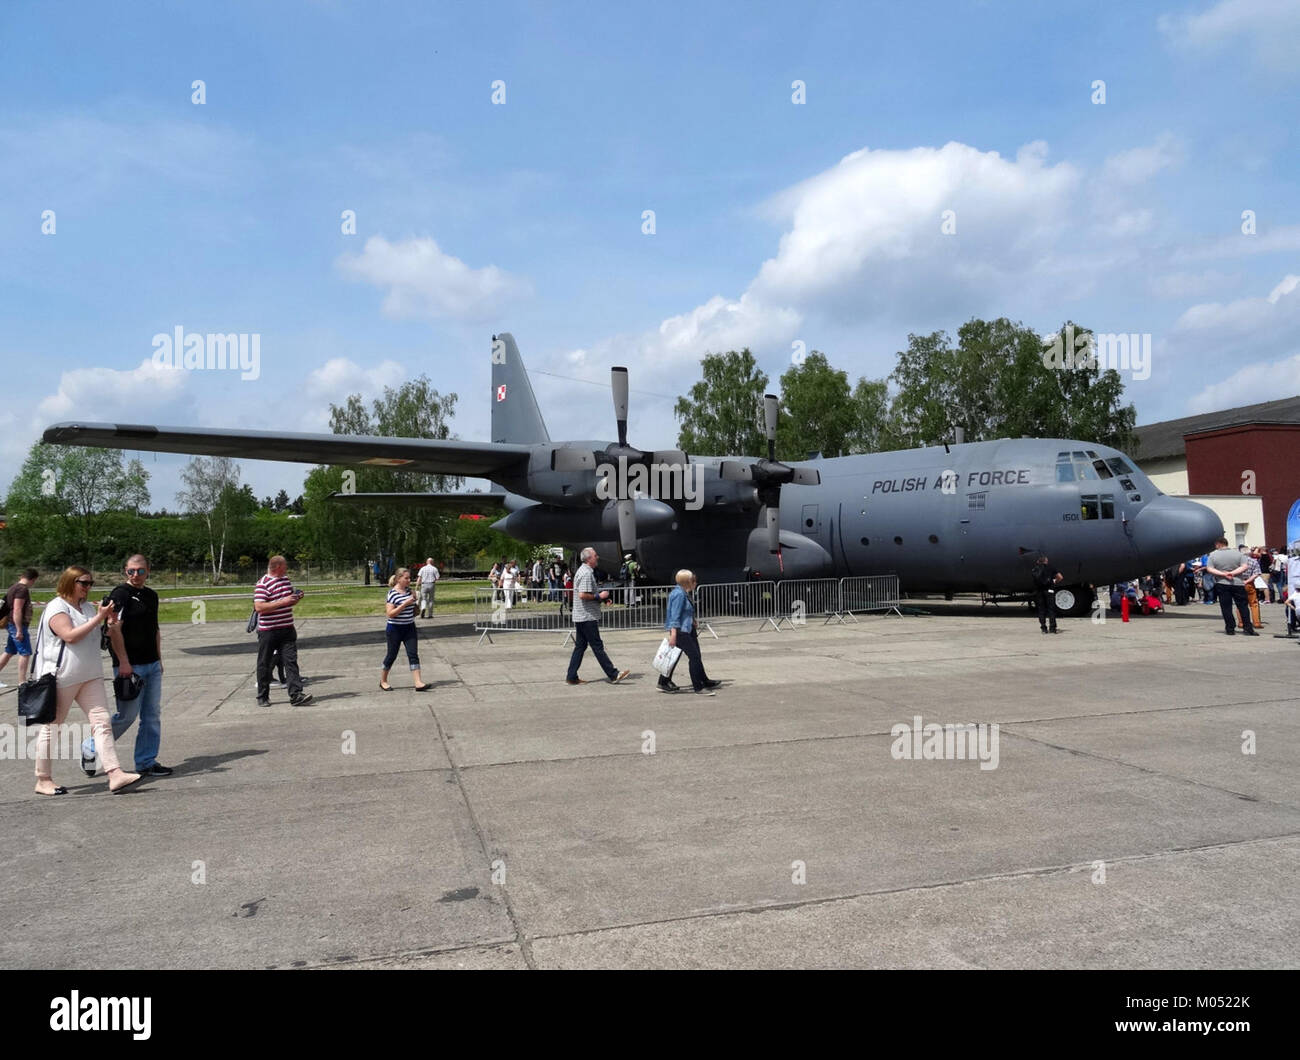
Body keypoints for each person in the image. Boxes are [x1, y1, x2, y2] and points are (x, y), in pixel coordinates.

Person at [32, 566, 140, 795]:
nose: (88, 587)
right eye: (84, 583)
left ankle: (114, 773)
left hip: (90, 675)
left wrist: (110, 624)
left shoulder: (87, 608)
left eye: (91, 583)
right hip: (61, 676)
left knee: (102, 723)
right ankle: (43, 779)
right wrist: (99, 617)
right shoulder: (56, 608)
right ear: (70, 582)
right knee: (52, 728)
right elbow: (70, 636)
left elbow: (96, 637)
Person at [79, 554, 171, 778]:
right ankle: (92, 746)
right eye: (131, 571)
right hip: (129, 667)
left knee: (152, 716)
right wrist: (123, 662)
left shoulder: (151, 595)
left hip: (151, 663)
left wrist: (159, 659)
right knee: (127, 716)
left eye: (140, 571)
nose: (136, 575)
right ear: (125, 572)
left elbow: (155, 629)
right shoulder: (120, 594)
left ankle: (146, 762)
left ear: (148, 570)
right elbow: (113, 629)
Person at [565, 547, 630, 685]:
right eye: (595, 555)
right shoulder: (587, 573)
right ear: (589, 559)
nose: (597, 557)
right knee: (597, 646)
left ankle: (571, 676)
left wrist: (603, 599)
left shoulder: (583, 571)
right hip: (587, 616)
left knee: (581, 646)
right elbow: (583, 595)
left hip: (581, 615)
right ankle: (613, 674)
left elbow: (586, 592)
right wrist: (599, 596)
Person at [254, 555, 313, 705]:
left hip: (287, 628)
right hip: (269, 631)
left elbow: (288, 601)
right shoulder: (263, 584)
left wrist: (296, 597)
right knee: (264, 663)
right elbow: (259, 607)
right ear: (278, 567)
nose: (287, 568)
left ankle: (296, 694)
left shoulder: (285, 580)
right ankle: (262, 696)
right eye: (285, 566)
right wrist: (283, 602)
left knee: (291, 662)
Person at [662, 569, 721, 695]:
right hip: (681, 631)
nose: (695, 583)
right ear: (687, 582)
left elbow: (686, 611)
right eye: (693, 581)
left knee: (681, 656)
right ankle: (698, 687)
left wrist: (693, 620)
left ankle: (664, 681)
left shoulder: (683, 593)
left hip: (688, 628)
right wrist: (673, 634)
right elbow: (675, 615)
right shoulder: (679, 595)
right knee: (694, 657)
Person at [381, 568, 430, 691]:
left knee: (413, 654)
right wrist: (404, 604)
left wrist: (415, 603)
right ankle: (383, 681)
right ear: (398, 579)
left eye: (410, 578)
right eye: (406, 578)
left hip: (409, 627)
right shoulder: (392, 593)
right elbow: (390, 614)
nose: (409, 580)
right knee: (391, 655)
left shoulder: (410, 592)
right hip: (394, 629)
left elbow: (414, 612)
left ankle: (418, 682)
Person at [1206, 537, 1256, 636]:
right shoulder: (1238, 553)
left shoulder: (1213, 555)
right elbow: (1245, 566)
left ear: (1219, 544)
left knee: (1226, 607)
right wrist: (1232, 573)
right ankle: (1248, 628)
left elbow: (1209, 569)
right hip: (1238, 583)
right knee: (1243, 606)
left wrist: (1223, 574)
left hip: (1222, 583)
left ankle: (1230, 628)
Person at [0, 566, 38, 687]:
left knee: (9, 651)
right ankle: (22, 681)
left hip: (11, 623)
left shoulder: (13, 587)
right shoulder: (22, 589)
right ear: (33, 579)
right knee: (25, 653)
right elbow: (17, 609)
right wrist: (19, 630)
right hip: (17, 624)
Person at [1031, 554, 1063, 633]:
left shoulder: (1035, 569)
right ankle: (1052, 628)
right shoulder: (1051, 567)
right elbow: (1060, 577)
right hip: (1049, 591)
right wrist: (1053, 582)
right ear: (1046, 561)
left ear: (1038, 561)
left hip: (1039, 592)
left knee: (1041, 610)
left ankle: (1043, 628)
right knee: (1051, 609)